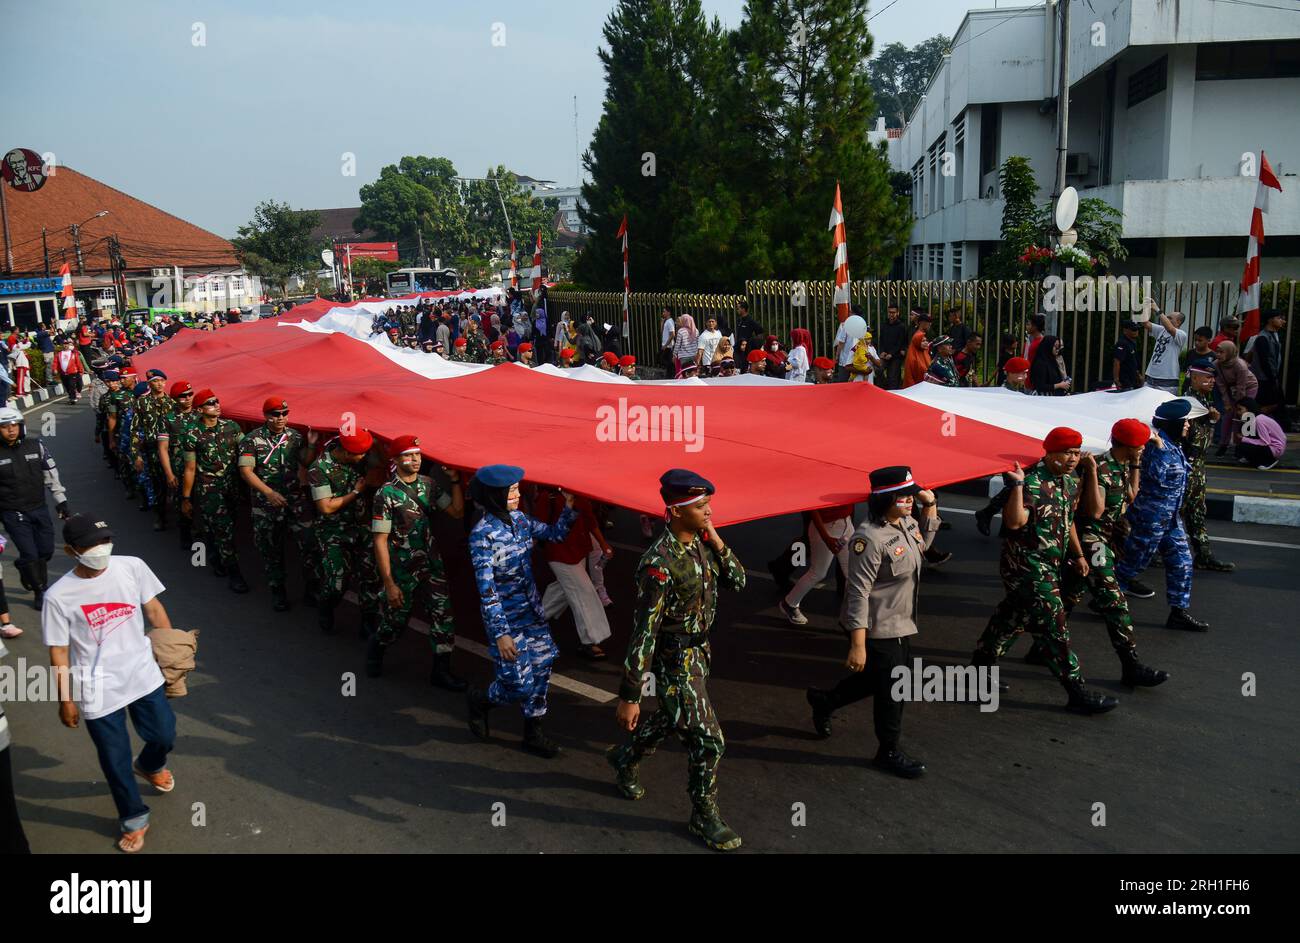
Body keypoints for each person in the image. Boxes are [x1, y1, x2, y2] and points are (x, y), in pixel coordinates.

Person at [606, 469, 746, 852]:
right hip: (675, 660)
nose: (709, 511)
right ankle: (704, 816)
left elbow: (738, 580)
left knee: (671, 717)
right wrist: (630, 694)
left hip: (700, 653)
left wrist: (715, 540)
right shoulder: (659, 564)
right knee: (710, 741)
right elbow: (644, 632)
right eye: (702, 507)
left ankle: (624, 758)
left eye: (708, 504)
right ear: (677, 510)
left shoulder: (701, 544)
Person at [43, 514, 176, 853]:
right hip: (97, 687)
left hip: (142, 673)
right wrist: (66, 699)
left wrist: (172, 656)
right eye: (91, 545)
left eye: (105, 541)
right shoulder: (58, 596)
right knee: (114, 759)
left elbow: (155, 611)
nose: (102, 549)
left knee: (164, 734)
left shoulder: (131, 566)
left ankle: (149, 764)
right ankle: (134, 818)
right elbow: (58, 651)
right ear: (72, 551)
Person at [971, 427, 1120, 714]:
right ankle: (1076, 691)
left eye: (1076, 453)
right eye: (1067, 453)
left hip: (1051, 565)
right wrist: (1016, 487)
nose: (1073, 459)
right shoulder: (1032, 482)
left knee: (1011, 618)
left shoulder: (1067, 482)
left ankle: (978, 672)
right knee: (1055, 627)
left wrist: (1077, 554)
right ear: (1050, 452)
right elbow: (1014, 523)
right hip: (1026, 568)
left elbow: (1068, 520)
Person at [806, 466, 939, 777]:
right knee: (893, 688)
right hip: (876, 626)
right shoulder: (868, 539)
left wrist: (929, 507)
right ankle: (888, 750)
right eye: (905, 496)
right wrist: (858, 644)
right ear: (886, 499)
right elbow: (857, 591)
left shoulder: (905, 523)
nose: (911, 501)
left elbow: (923, 549)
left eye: (911, 495)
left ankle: (825, 701)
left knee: (877, 679)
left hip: (902, 621)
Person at [465, 465, 576, 758]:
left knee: (541, 670)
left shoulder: (521, 521)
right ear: (495, 495)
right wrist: (501, 634)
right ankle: (480, 701)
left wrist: (569, 508)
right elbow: (486, 590)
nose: (517, 494)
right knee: (517, 685)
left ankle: (533, 734)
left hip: (532, 613)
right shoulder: (482, 536)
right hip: (506, 620)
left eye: (517, 489)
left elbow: (555, 534)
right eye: (511, 491)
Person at [1064, 420, 1169, 687]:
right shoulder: (1097, 467)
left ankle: (1040, 648)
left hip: (1106, 539)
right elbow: (1095, 512)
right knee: (1114, 601)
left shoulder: (1123, 464)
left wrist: (1134, 465)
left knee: (1066, 599)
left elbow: (1132, 496)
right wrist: (1093, 474)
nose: (1145, 448)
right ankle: (1130, 665)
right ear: (1131, 445)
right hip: (1091, 541)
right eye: (1142, 445)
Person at [369, 435, 466, 687]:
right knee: (395, 622)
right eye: (408, 456)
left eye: (417, 455)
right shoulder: (386, 494)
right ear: (396, 459)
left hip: (432, 565)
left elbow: (456, 511)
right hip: (403, 570)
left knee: (443, 617)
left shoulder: (429, 485)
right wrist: (389, 583)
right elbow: (380, 540)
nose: (414, 460)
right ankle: (377, 647)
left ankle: (441, 671)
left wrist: (455, 481)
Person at [1115, 399, 1211, 632]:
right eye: (1184, 422)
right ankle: (1106, 597)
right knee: (1133, 562)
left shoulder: (1174, 445)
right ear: (1174, 424)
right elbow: (1154, 478)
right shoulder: (1154, 445)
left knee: (1182, 562)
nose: (1188, 425)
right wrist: (1157, 450)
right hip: (1151, 517)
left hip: (1170, 519)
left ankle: (1178, 612)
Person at [237, 396, 318, 611]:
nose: (280, 418)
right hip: (266, 502)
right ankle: (278, 590)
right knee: (271, 548)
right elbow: (246, 471)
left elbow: (306, 462)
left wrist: (310, 445)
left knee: (309, 543)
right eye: (275, 414)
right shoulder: (252, 439)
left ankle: (311, 589)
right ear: (266, 416)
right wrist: (268, 492)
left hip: (294, 499)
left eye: (284, 413)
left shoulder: (294, 436)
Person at [309, 428, 381, 635]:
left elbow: (381, 466)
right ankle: (326, 606)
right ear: (347, 452)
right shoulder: (319, 468)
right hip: (333, 531)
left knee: (370, 576)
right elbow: (326, 507)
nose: (365, 457)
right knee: (337, 581)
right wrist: (356, 492)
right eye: (362, 453)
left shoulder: (359, 459)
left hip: (362, 527)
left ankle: (368, 620)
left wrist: (373, 442)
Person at [179, 389, 248, 594]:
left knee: (225, 526)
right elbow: (190, 468)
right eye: (210, 403)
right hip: (210, 489)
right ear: (200, 409)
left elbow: (246, 449)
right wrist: (186, 498)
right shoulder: (192, 434)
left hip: (233, 486)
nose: (216, 405)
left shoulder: (231, 427)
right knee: (224, 530)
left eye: (217, 401)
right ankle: (235, 574)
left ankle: (214, 554)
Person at [0, 405, 70, 607]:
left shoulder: (35, 445)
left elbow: (51, 473)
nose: (11, 430)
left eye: (14, 425)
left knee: (45, 551)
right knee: (31, 553)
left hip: (39, 508)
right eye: (5, 426)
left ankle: (25, 567)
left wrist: (61, 500)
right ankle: (41, 590)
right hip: (12, 513)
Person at [536, 488, 613, 659]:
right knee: (584, 592)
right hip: (559, 554)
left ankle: (533, 619)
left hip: (578, 550)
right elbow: (539, 527)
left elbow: (590, 521)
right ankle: (590, 641)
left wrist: (603, 544)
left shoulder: (579, 493)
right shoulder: (548, 496)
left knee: (564, 589)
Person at [1182, 364, 1234, 571]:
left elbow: (1203, 440)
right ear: (1194, 378)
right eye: (1207, 377)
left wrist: (1211, 421)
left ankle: (1203, 555)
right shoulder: (1187, 404)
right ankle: (1147, 554)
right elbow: (1185, 438)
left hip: (1198, 467)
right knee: (1171, 512)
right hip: (1185, 466)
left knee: (1196, 512)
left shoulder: (1204, 402)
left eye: (1213, 378)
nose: (1212, 381)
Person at [778, 502, 855, 625]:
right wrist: (826, 538)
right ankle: (789, 603)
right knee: (818, 572)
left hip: (846, 524)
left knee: (852, 573)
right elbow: (812, 508)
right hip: (827, 527)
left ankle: (853, 614)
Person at [155, 381, 197, 550]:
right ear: (175, 399)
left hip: (200, 467)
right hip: (179, 468)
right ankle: (186, 534)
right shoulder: (167, 419)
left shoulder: (199, 415)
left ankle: (200, 529)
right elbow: (163, 448)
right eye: (183, 396)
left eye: (190, 394)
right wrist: (169, 474)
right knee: (184, 502)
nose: (187, 399)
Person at [1213, 341, 1257, 454]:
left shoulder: (1240, 366)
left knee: (1244, 416)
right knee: (1228, 416)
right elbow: (1221, 385)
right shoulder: (1217, 365)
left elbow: (1241, 387)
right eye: (1217, 352)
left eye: (1221, 352)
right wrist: (1227, 403)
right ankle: (1223, 444)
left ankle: (1243, 445)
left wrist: (1237, 405)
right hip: (1231, 390)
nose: (1218, 355)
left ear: (1230, 352)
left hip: (1248, 388)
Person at [1246, 309, 1287, 415]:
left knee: (1276, 402)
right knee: (1271, 403)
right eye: (1279, 318)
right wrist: (1272, 377)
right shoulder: (1263, 338)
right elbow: (1265, 360)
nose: (1283, 321)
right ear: (1270, 320)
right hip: (1263, 378)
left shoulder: (1274, 335)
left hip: (1270, 377)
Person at [1142, 307, 1188, 392]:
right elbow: (1145, 323)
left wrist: (1157, 309)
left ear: (1178, 322)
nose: (1166, 319)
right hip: (1150, 377)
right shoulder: (1161, 330)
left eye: (1170, 318)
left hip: (1167, 380)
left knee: (1165, 404)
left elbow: (1170, 329)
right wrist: (1146, 307)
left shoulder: (1181, 334)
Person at [1233, 397, 1285, 469]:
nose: (1238, 412)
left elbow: (1265, 442)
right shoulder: (1252, 419)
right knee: (1240, 448)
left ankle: (1270, 460)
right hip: (1269, 446)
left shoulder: (1259, 420)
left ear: (1249, 409)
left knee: (1243, 446)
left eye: (1240, 409)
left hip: (1275, 449)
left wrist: (1244, 439)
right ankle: (1253, 458)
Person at [877, 302, 909, 389]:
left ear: (897, 313)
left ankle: (892, 393)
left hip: (896, 356)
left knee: (893, 378)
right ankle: (883, 389)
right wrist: (882, 351)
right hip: (885, 355)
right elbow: (881, 340)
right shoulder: (884, 325)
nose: (891, 314)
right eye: (890, 312)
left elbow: (901, 342)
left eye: (893, 312)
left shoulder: (901, 326)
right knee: (879, 371)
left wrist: (891, 354)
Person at [902, 313, 932, 386]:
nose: (930, 324)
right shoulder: (918, 336)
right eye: (928, 322)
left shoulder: (920, 338)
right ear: (921, 323)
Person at [1113, 320, 1143, 390]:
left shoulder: (1132, 342)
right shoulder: (1122, 343)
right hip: (1125, 381)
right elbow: (1117, 362)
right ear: (1125, 330)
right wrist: (1116, 380)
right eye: (1133, 329)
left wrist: (1138, 375)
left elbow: (1133, 361)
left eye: (1137, 329)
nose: (1136, 331)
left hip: (1132, 380)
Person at [659, 306, 676, 376]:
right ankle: (669, 374)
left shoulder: (670, 322)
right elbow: (661, 332)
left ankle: (670, 375)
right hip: (665, 345)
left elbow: (672, 334)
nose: (663, 313)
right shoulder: (666, 321)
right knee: (665, 362)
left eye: (664, 311)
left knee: (668, 362)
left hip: (669, 346)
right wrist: (662, 323)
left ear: (668, 312)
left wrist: (666, 345)